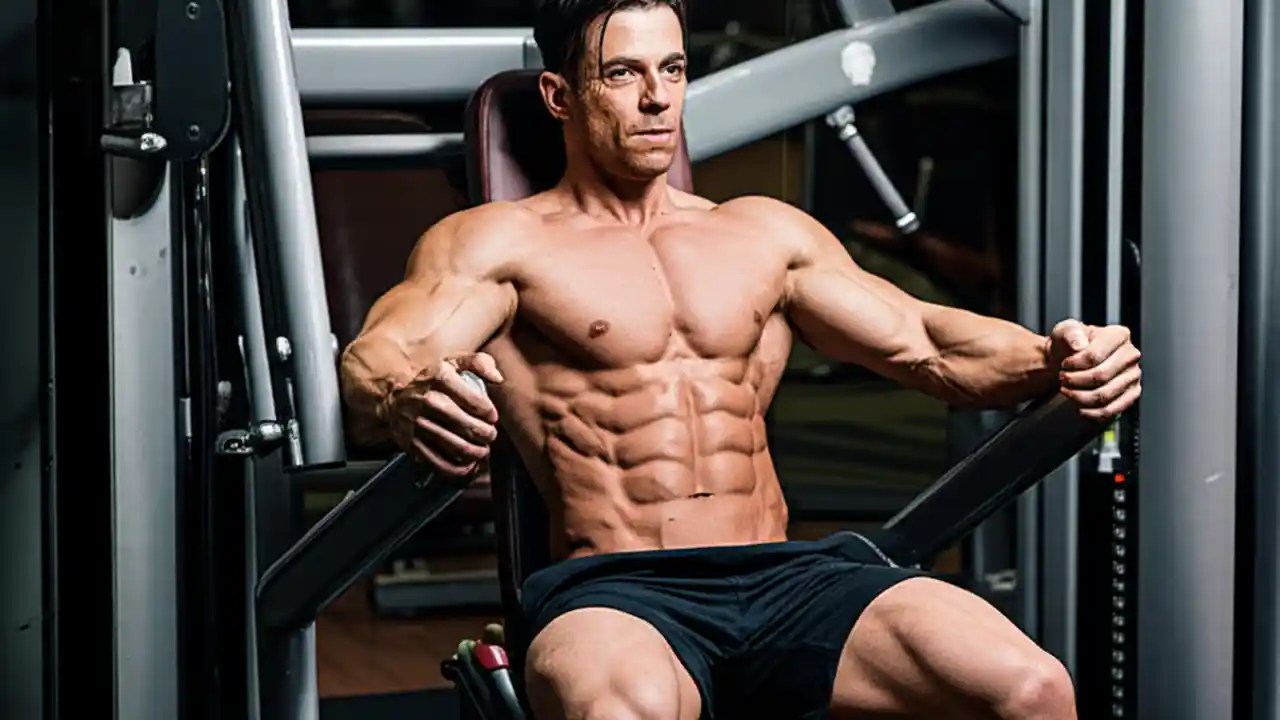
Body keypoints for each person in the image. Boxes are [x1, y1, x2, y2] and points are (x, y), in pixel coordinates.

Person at [339, 1, 1142, 717]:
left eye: (674, 69)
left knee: (1031, 689)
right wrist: (408, 395)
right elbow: (380, 360)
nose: (659, 99)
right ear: (559, 97)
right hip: (617, 593)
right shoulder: (501, 241)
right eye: (623, 73)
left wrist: (1060, 354)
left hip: (790, 580)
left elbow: (929, 342)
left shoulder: (763, 233)